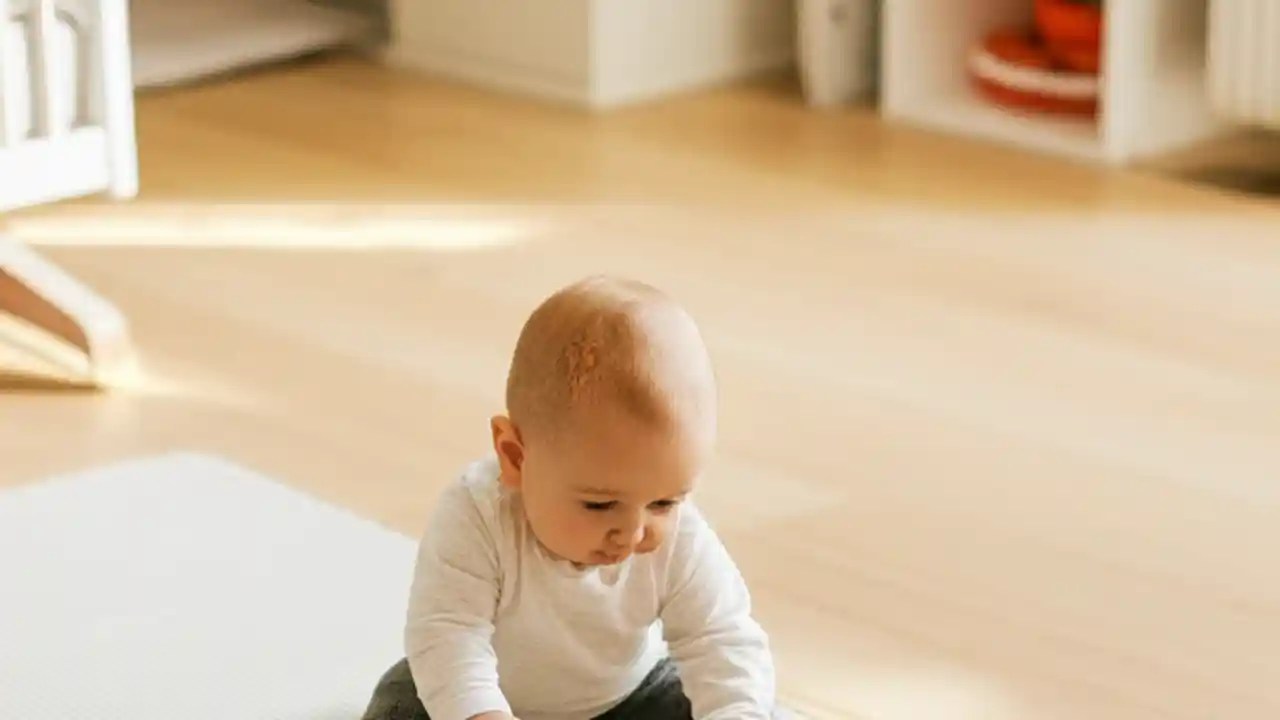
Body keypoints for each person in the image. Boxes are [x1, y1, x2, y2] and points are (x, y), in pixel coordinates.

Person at [362, 275, 778, 720]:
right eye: (599, 504)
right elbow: (449, 635)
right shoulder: (477, 515)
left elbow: (721, 638)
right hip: (490, 700)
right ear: (515, 458)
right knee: (401, 704)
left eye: (664, 503)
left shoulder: (681, 539)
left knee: (738, 705)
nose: (634, 533)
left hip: (628, 700)